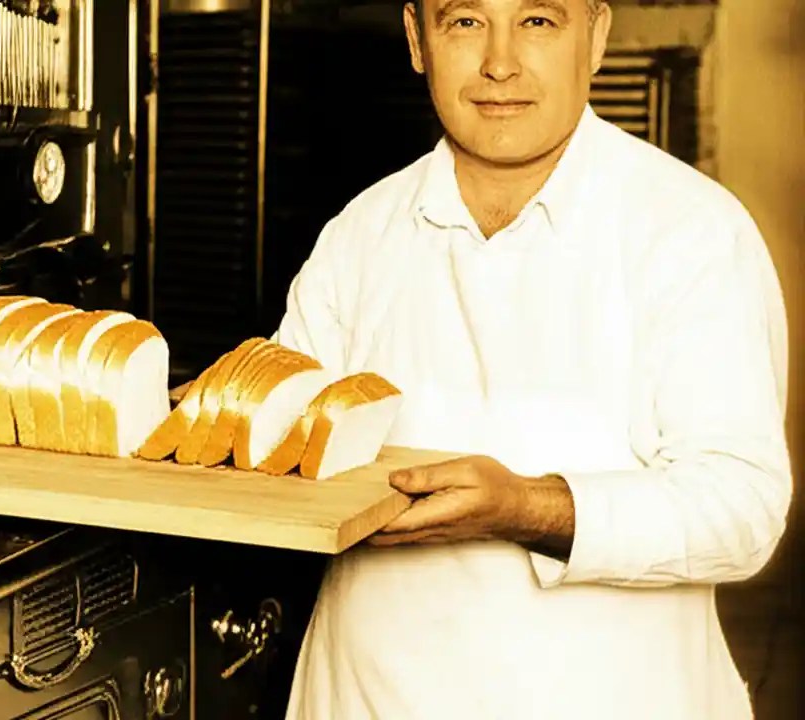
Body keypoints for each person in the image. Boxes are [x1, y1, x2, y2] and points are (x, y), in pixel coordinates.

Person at [273, 1, 793, 718]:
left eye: (539, 21)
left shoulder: (691, 231)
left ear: (597, 35)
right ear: (416, 39)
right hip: (366, 696)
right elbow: (283, 446)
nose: (500, 63)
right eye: (465, 22)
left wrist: (527, 509)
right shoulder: (360, 233)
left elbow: (743, 511)